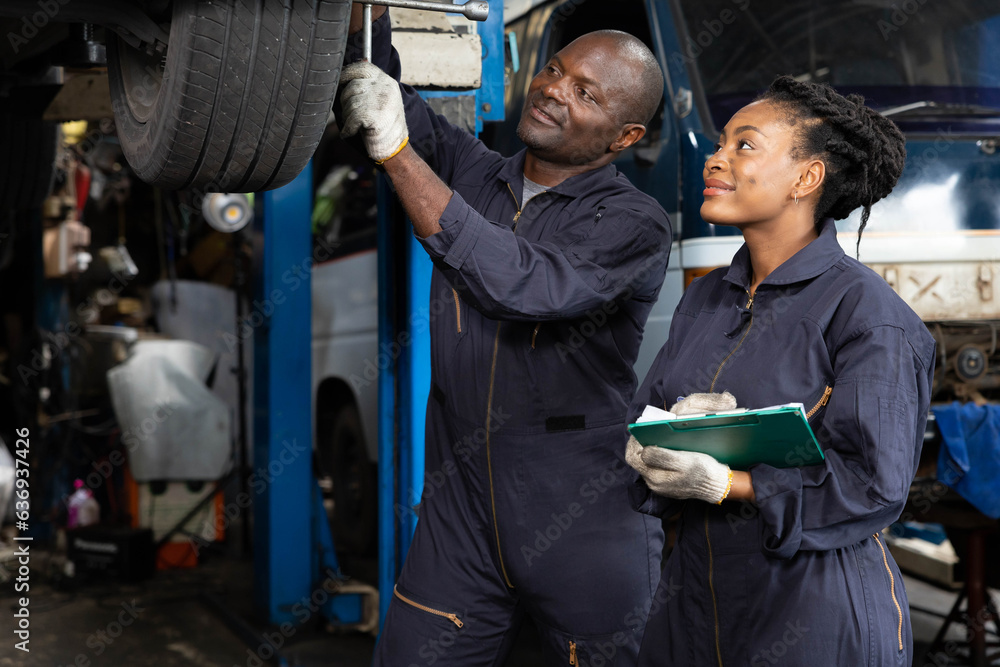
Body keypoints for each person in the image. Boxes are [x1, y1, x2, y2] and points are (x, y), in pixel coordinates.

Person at [339, 8, 672, 666]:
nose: (553, 88)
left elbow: (525, 286)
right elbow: (383, 96)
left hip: (582, 518)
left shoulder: (634, 223)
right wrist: (362, 17)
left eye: (586, 92)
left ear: (624, 135)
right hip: (458, 518)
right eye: (555, 69)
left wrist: (399, 156)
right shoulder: (475, 171)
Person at [625, 75, 936, 666]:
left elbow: (873, 485)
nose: (716, 159)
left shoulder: (868, 316)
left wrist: (727, 483)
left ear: (806, 178)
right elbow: (650, 417)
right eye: (720, 143)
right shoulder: (708, 297)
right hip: (695, 604)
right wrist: (646, 449)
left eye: (744, 145)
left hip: (812, 613)